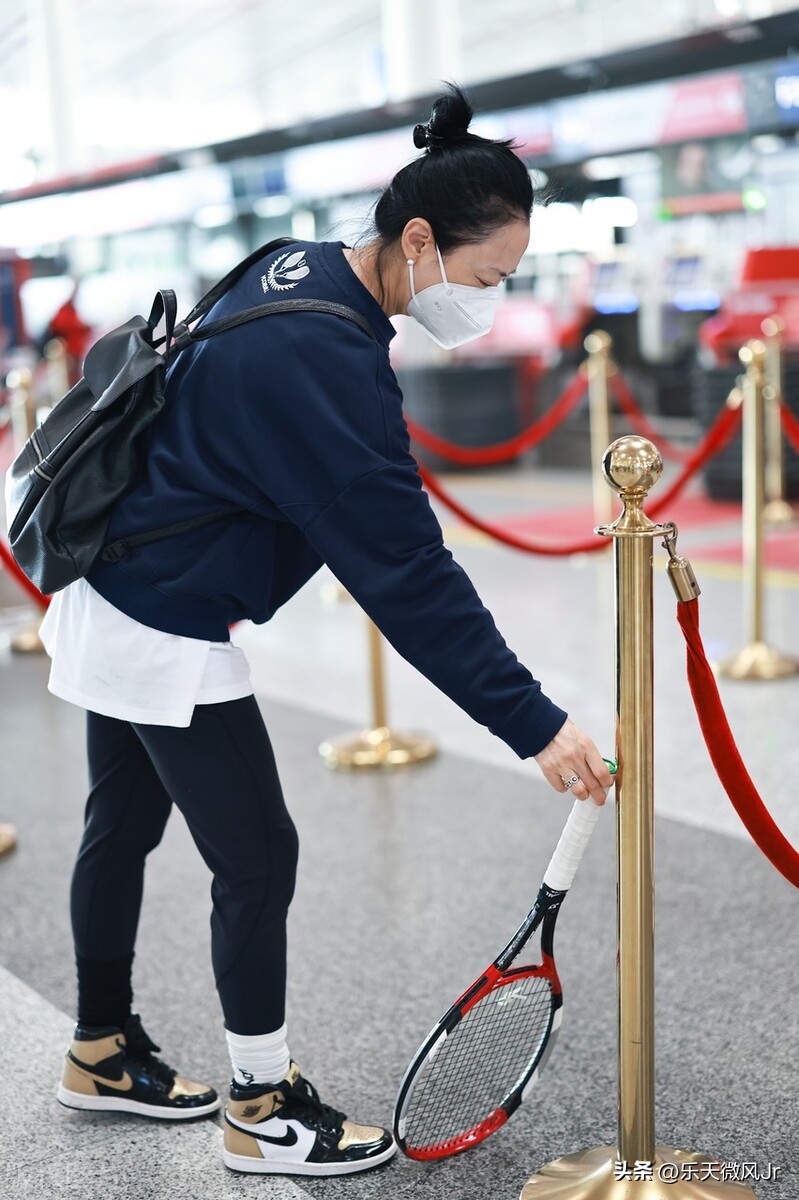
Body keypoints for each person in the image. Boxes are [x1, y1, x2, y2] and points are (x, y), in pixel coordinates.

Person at [38, 84, 612, 1178]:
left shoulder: (295, 264)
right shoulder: (326, 364)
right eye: (488, 277)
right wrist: (534, 723)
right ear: (417, 240)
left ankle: (100, 1049)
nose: (488, 304)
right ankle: (261, 1108)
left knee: (122, 821)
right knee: (259, 858)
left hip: (110, 575)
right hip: (164, 616)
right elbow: (409, 576)